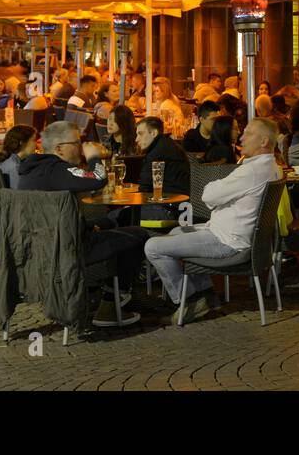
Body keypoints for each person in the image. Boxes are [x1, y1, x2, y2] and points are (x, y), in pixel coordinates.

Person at [145, 118, 280, 325]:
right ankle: (207, 294)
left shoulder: (251, 171)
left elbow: (208, 195)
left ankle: (189, 300)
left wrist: (217, 186)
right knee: (176, 233)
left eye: (248, 133)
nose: (241, 137)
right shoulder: (271, 166)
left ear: (263, 141)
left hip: (227, 241)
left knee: (153, 246)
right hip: (236, 235)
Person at [16, 119, 148, 328]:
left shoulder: (31, 171)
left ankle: (102, 292)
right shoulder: (58, 170)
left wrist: (85, 226)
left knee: (111, 220)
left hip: (39, 247)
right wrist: (94, 156)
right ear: (59, 149)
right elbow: (97, 178)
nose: (81, 147)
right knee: (140, 235)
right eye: (77, 143)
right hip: (69, 250)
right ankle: (111, 303)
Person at [136, 116, 191, 195]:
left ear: (154, 133)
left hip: (170, 202)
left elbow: (144, 188)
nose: (136, 139)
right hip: (184, 199)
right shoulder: (168, 144)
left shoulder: (157, 152)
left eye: (140, 134)